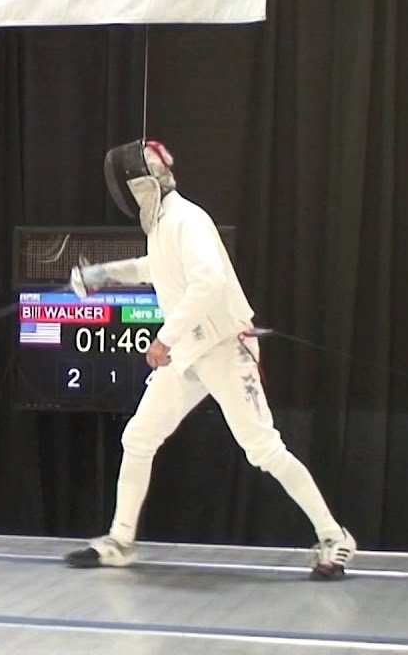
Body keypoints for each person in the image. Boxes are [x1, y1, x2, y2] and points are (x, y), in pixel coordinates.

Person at [63, 139, 355, 580]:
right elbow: (153, 268)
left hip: (223, 347)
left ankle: (334, 537)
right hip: (190, 356)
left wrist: (164, 338)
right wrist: (102, 275)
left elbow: (208, 281)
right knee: (139, 438)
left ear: (138, 185)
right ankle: (120, 540)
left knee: (263, 449)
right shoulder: (162, 226)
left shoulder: (187, 218)